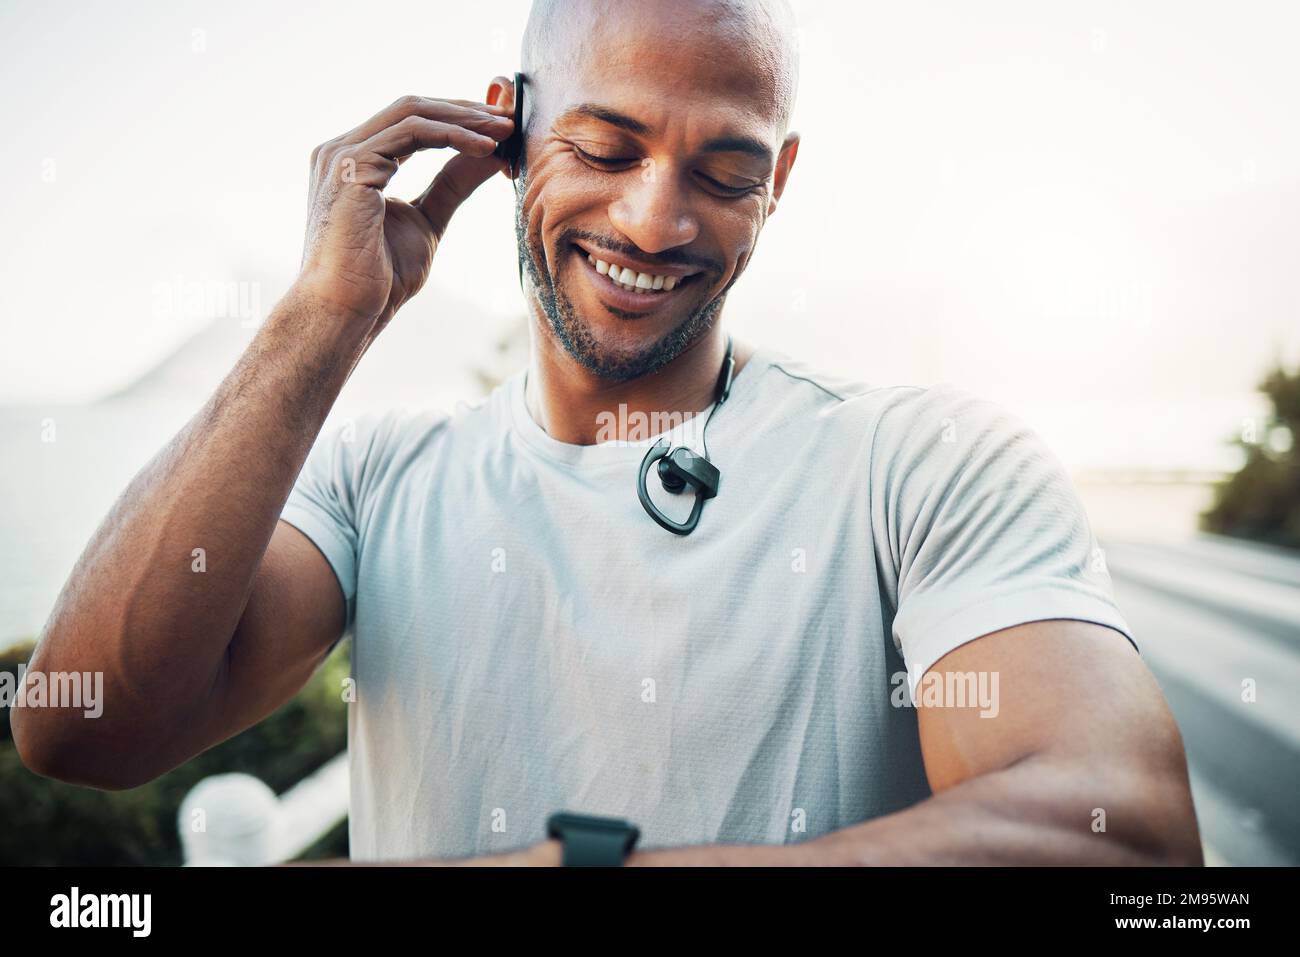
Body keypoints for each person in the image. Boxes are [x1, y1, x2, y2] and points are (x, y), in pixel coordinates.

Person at [13, 0, 1202, 866]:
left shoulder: (923, 464)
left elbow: (1125, 836)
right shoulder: (380, 479)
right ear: (507, 130)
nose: (654, 217)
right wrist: (321, 321)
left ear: (777, 181)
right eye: (604, 146)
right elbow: (83, 728)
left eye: (724, 170)